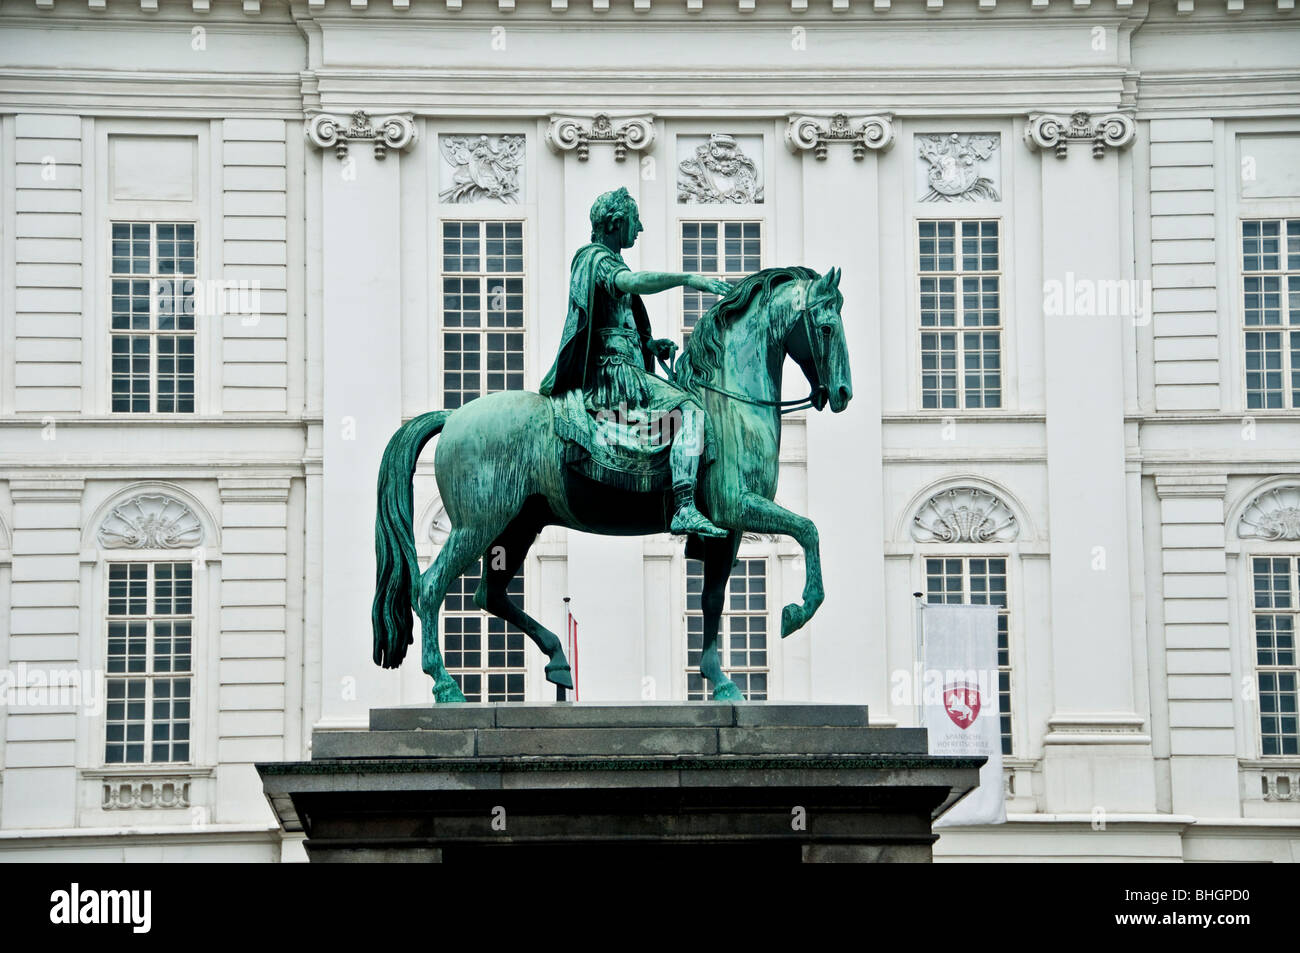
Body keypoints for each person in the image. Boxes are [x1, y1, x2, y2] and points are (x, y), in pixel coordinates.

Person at [540, 187, 730, 538]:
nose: (639, 228)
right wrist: (687, 279)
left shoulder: (608, 261)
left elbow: (617, 324)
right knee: (691, 412)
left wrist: (649, 345)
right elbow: (630, 283)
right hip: (612, 375)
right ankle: (685, 505)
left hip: (627, 365)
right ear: (615, 223)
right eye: (634, 221)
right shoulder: (595, 260)